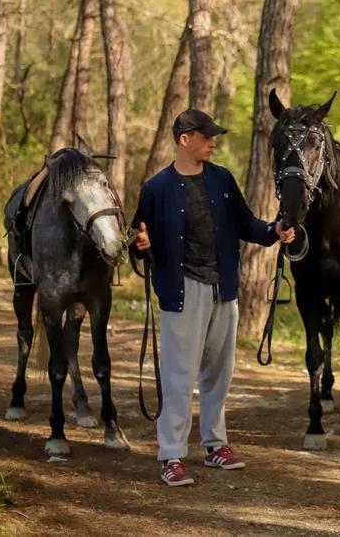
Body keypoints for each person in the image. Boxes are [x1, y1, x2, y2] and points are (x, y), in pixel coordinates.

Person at [131, 109, 296, 487]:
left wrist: (275, 229)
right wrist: (140, 244)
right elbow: (138, 236)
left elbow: (246, 223)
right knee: (178, 375)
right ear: (184, 139)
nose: (213, 142)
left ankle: (214, 446)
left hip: (224, 288)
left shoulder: (222, 179)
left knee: (219, 374)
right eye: (206, 137)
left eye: (213, 137)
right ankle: (171, 455)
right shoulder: (156, 188)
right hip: (182, 292)